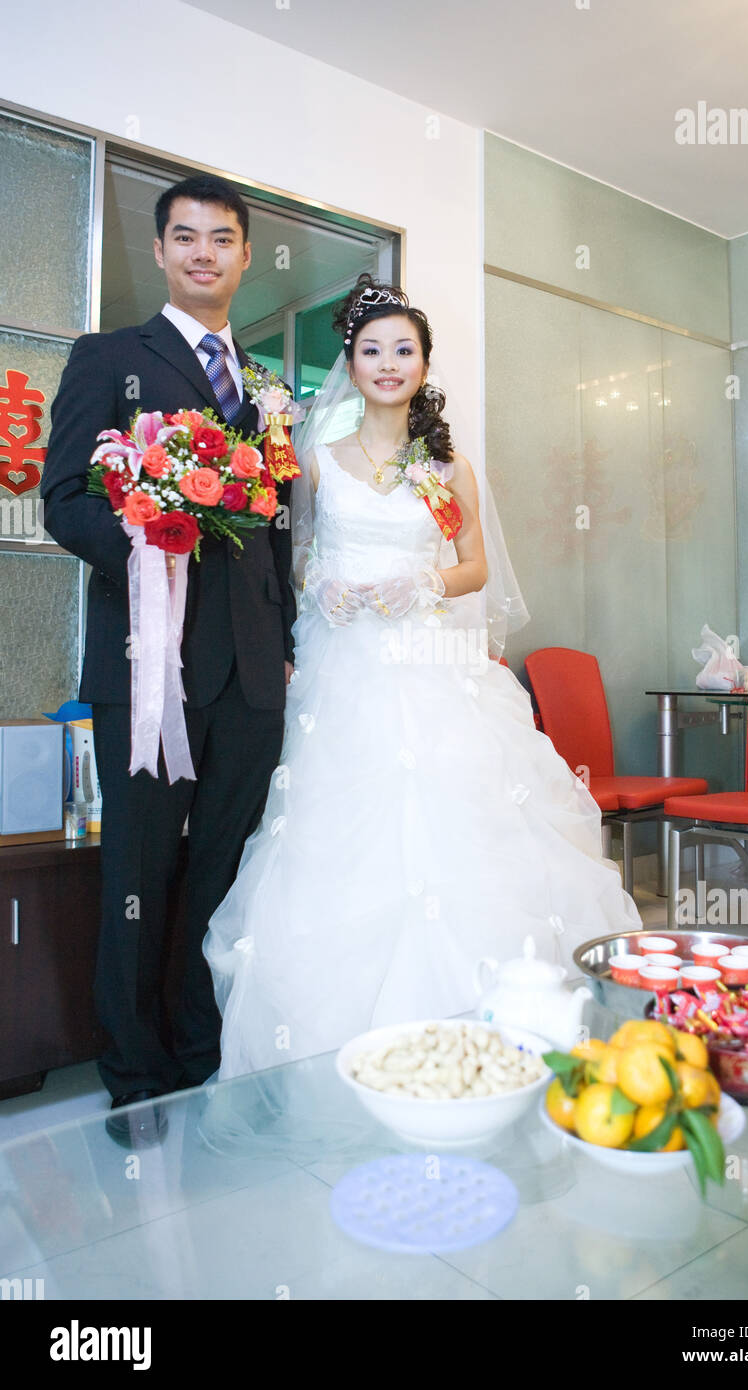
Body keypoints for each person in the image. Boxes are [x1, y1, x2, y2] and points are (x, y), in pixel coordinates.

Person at [203, 274, 642, 1078]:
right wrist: (320, 585)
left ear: (424, 363)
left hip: (429, 658)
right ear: (351, 361)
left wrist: (422, 583)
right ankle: (340, 1052)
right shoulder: (316, 460)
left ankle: (485, 1046)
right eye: (372, 349)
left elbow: (477, 568)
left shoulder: (443, 466)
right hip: (340, 663)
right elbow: (288, 560)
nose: (387, 362)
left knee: (459, 818)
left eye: (403, 349)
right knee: (333, 830)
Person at [40, 176, 296, 1146]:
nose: (203, 253)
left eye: (221, 239)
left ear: (242, 255)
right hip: (150, 667)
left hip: (250, 675)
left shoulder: (267, 387)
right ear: (159, 253)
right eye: (184, 237)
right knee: (140, 870)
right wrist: (159, 544)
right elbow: (65, 500)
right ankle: (136, 1074)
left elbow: (276, 531)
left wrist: (289, 646)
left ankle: (200, 1050)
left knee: (220, 871)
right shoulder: (109, 357)